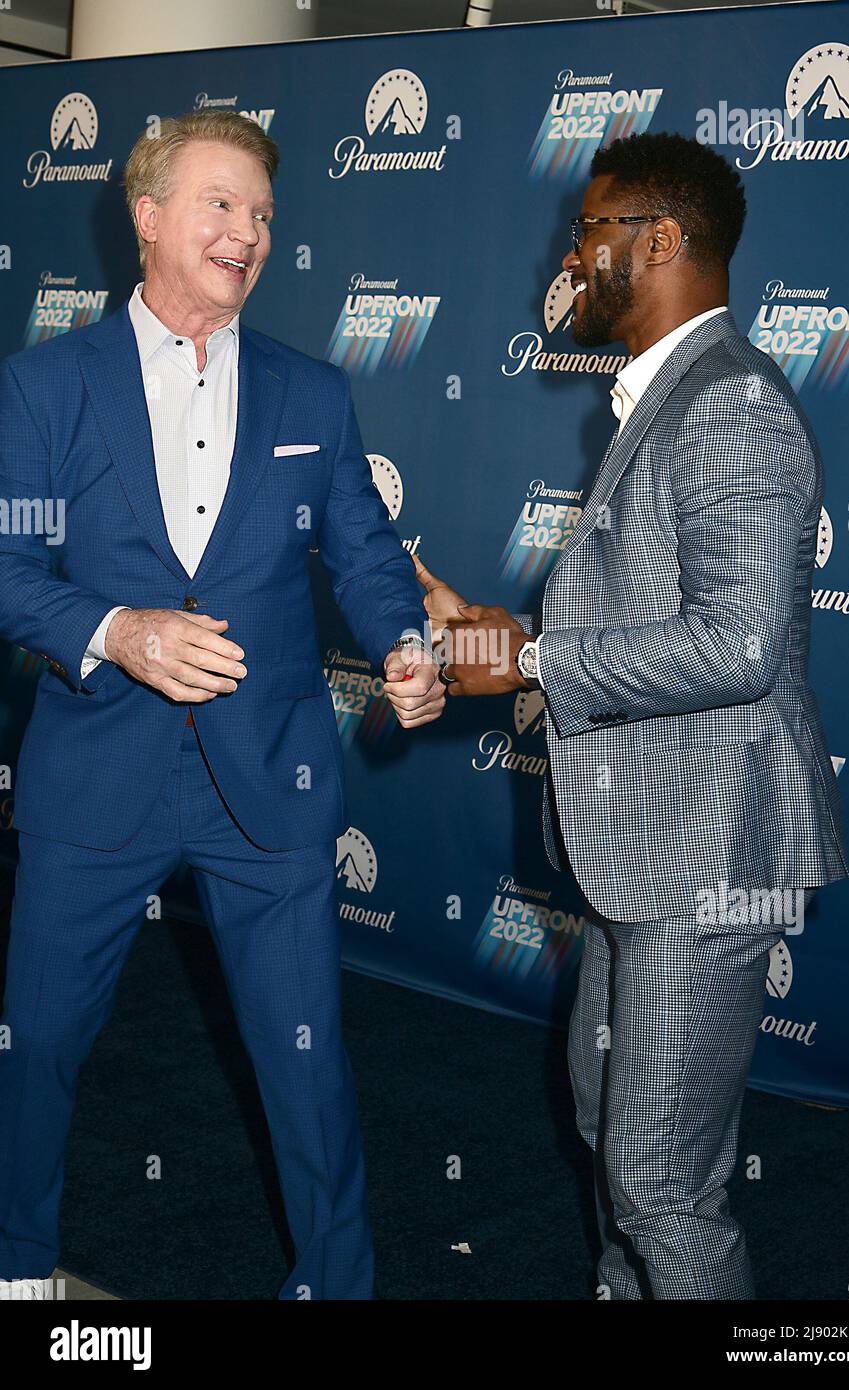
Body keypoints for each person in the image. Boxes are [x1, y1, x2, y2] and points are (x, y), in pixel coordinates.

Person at [0, 109, 444, 1302]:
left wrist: (404, 641)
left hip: (272, 781)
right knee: (36, 1045)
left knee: (307, 1069)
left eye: (259, 213)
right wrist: (117, 631)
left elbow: (362, 556)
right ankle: (16, 1266)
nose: (246, 232)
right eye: (220, 204)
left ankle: (333, 1286)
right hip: (96, 776)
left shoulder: (313, 391)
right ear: (146, 216)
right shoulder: (45, 386)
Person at [414, 131, 849, 1300]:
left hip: (702, 850)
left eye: (588, 229)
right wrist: (502, 642)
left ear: (655, 241)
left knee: (659, 1183)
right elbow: (649, 617)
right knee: (617, 1137)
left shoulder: (729, 406)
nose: (569, 255)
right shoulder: (660, 403)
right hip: (633, 849)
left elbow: (738, 645)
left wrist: (536, 657)